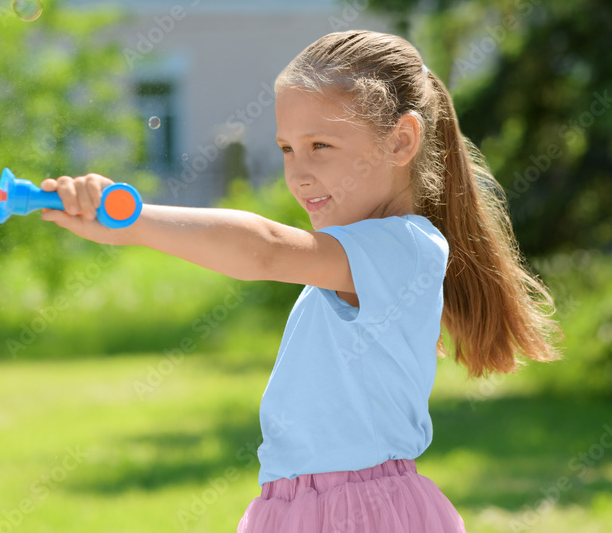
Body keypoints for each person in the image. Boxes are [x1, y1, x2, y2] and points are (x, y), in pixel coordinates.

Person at [38, 30, 562, 532]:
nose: (298, 173)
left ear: (401, 140)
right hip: (295, 509)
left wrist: (134, 220)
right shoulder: (352, 259)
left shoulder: (406, 248)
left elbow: (265, 250)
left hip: (362, 514)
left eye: (321, 146)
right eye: (288, 149)